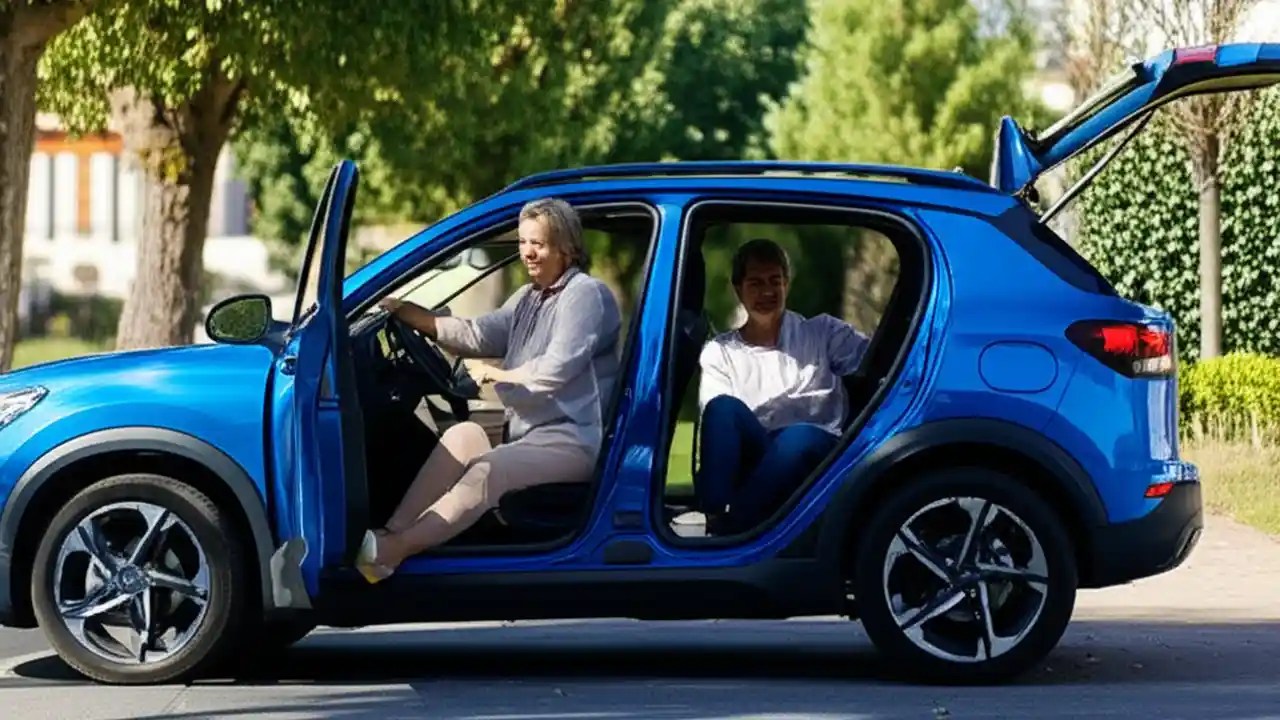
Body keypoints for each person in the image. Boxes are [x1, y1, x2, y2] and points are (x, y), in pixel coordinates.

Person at [356, 197, 621, 582]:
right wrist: (402, 310)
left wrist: (496, 374)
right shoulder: (529, 299)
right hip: (531, 437)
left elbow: (555, 370)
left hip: (575, 440)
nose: (528, 252)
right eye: (523, 242)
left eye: (539, 244)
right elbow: (476, 335)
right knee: (465, 435)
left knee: (490, 469)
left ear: (566, 247)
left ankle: (397, 549)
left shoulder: (586, 295)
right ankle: (390, 537)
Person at [692, 238, 870, 535]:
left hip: (817, 452)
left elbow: (882, 358)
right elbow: (719, 419)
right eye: (756, 283)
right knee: (722, 409)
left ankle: (731, 528)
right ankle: (713, 510)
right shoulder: (720, 351)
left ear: (787, 284)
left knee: (798, 436)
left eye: (775, 281)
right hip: (760, 451)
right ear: (739, 289)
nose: (767, 292)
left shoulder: (822, 331)